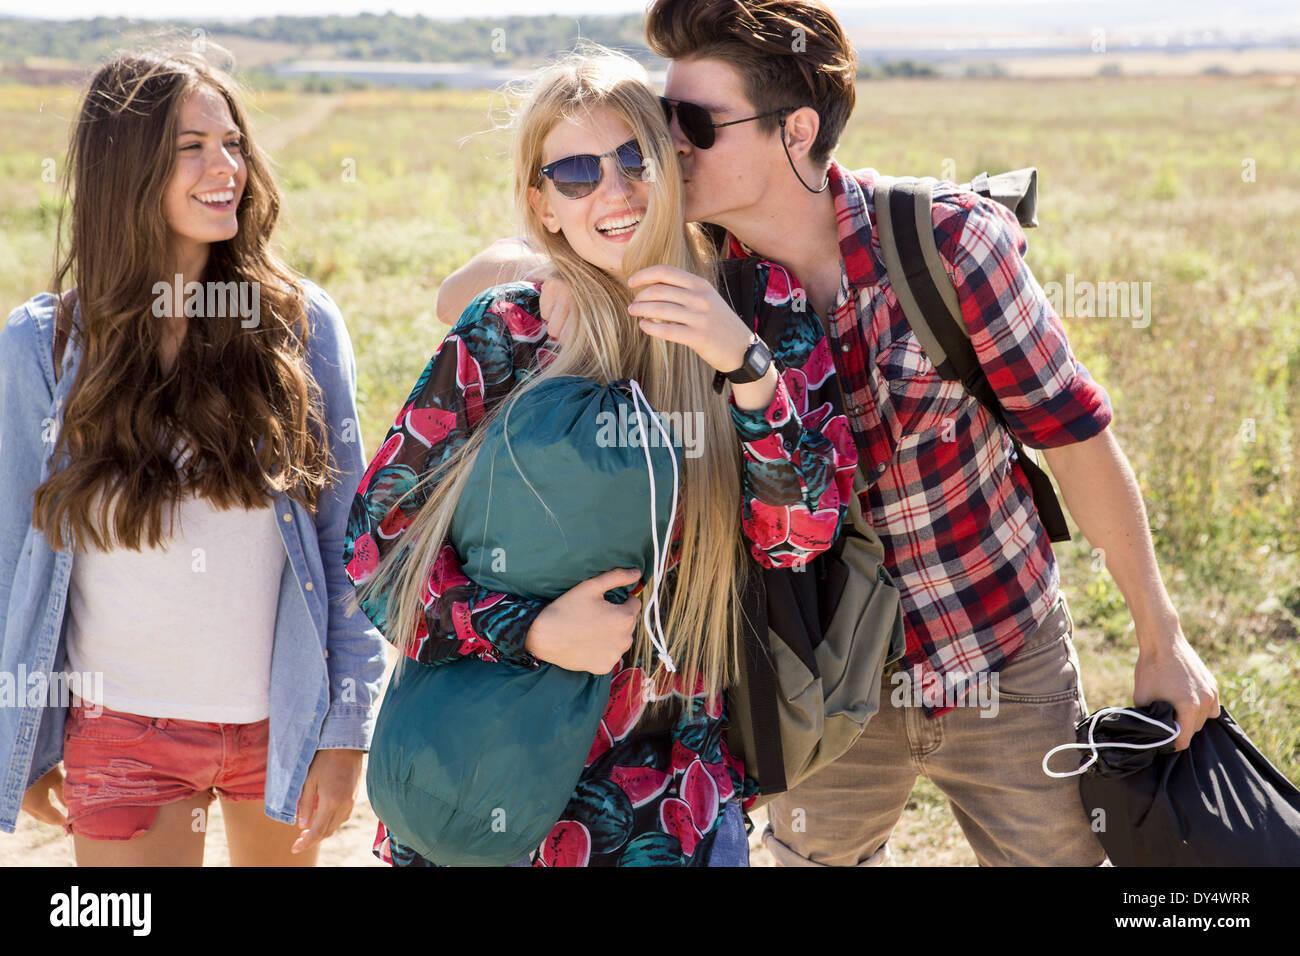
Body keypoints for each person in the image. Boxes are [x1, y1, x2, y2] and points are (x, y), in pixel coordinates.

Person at [440, 0, 1221, 867]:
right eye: (665, 123)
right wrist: (564, 257)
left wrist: (1162, 637)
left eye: (694, 124)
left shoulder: (947, 245)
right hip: (821, 679)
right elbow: (459, 299)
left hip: (998, 648)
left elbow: (1074, 436)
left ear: (796, 129)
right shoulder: (695, 273)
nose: (671, 148)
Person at [343, 47, 856, 867]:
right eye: (577, 173)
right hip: (482, 784)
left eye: (634, 158)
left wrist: (747, 372)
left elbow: (798, 537)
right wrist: (534, 631)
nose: (613, 191)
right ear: (544, 206)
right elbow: (374, 551)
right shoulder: (508, 331)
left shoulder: (757, 305)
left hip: (665, 804)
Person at [0, 50, 386, 865]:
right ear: (125, 168)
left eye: (234, 142)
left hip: (280, 723)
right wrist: (28, 738)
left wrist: (345, 732)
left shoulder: (300, 327)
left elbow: (351, 546)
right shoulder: (42, 347)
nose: (227, 168)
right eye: (191, 147)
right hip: (120, 730)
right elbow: (12, 553)